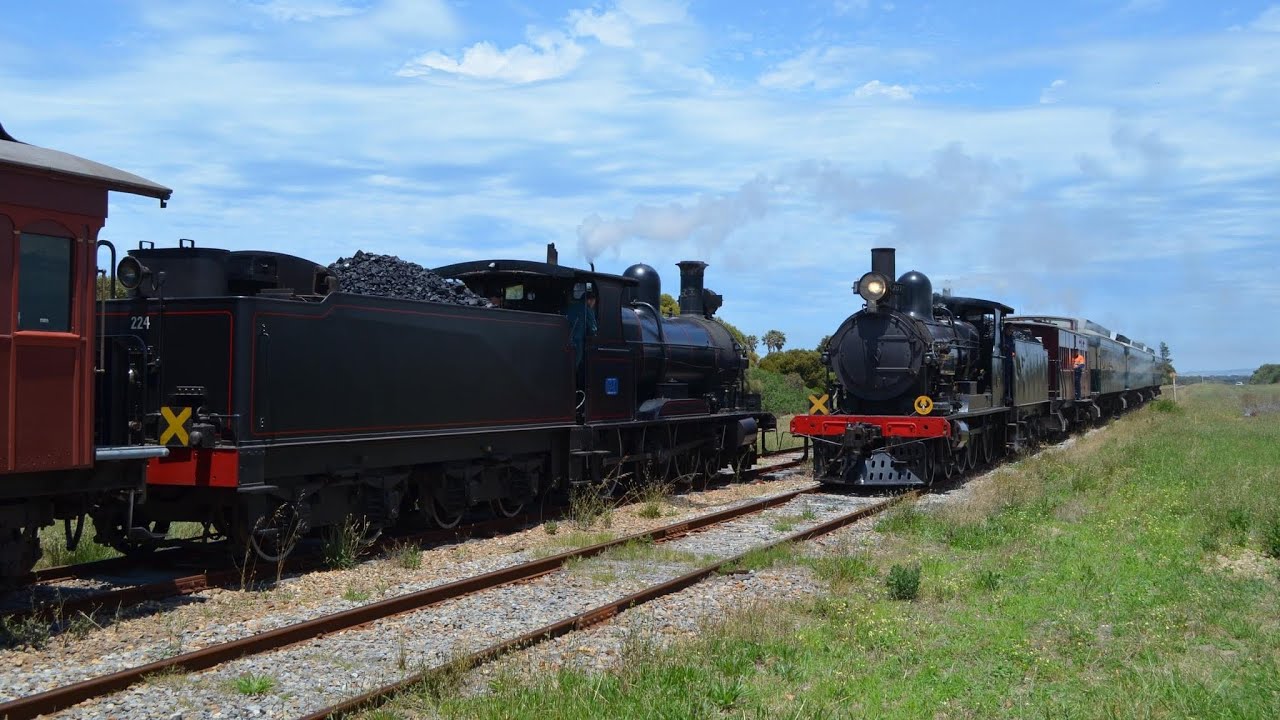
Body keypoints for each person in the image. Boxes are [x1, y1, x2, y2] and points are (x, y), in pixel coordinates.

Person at [565, 286, 597, 378]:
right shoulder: (587, 310)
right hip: (576, 343)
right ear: (589, 301)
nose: (594, 304)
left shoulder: (570, 307)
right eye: (594, 301)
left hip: (564, 340)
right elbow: (593, 330)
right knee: (574, 368)